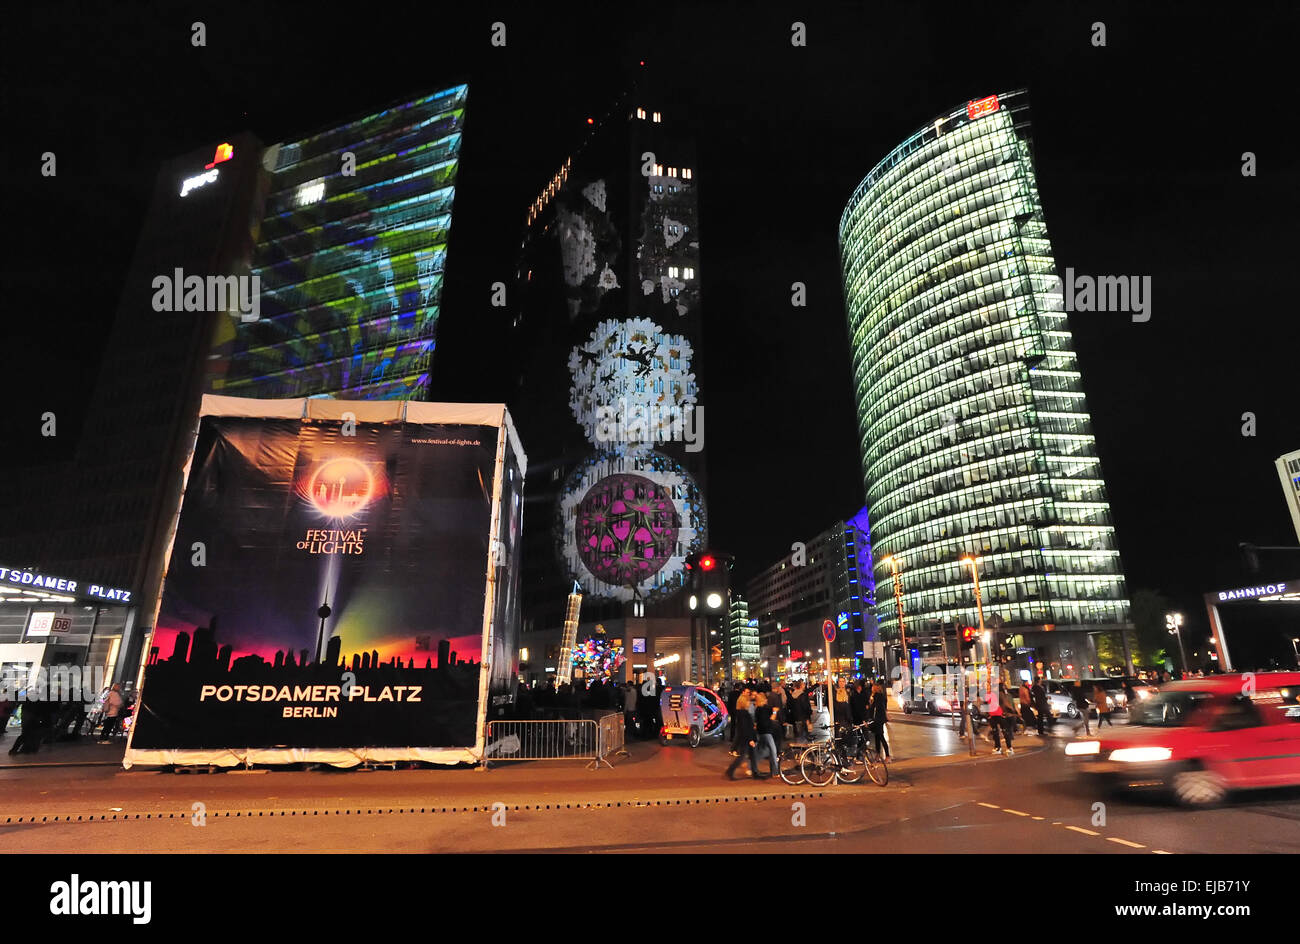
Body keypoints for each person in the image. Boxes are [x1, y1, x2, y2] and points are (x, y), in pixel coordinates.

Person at [725, 691, 763, 780]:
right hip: (746, 739)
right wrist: (751, 739)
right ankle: (731, 770)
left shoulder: (741, 713)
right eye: (747, 701)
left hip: (745, 738)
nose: (749, 703)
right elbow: (746, 728)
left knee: (752, 755)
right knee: (742, 756)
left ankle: (755, 771)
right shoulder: (744, 714)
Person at [752, 691, 780, 778]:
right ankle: (775, 772)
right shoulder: (765, 708)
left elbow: (757, 721)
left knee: (762, 751)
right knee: (773, 751)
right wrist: (775, 712)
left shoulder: (757, 709)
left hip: (761, 732)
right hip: (767, 732)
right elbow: (771, 719)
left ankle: (753, 768)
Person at [867, 680, 891, 760]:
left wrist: (870, 706)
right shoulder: (878, 696)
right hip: (878, 719)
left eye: (873, 687)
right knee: (877, 737)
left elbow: (877, 708)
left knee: (880, 737)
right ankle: (878, 755)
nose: (871, 688)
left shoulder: (878, 696)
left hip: (878, 720)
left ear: (875, 688)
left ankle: (887, 755)